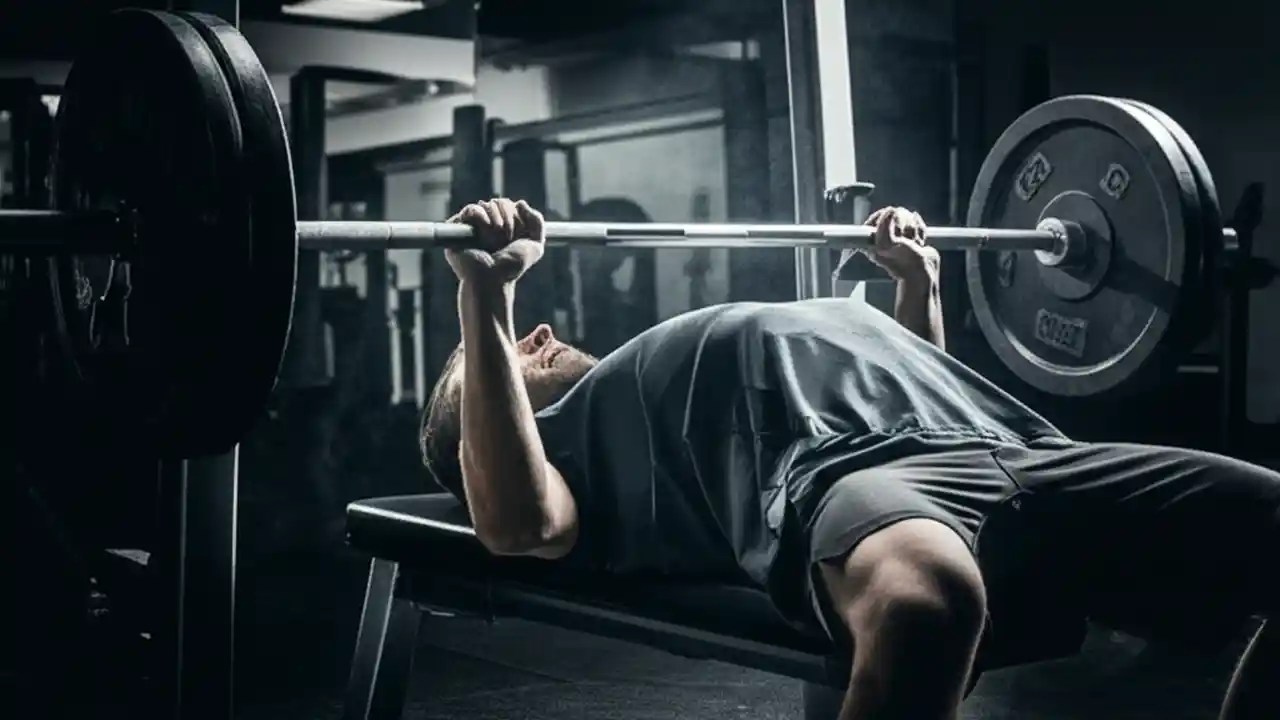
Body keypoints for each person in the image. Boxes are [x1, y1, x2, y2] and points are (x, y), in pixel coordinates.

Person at [419, 198, 1278, 720]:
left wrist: (917, 285)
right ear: (485, 422)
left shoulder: (649, 370)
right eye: (504, 359)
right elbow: (518, 522)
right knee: (923, 605)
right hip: (856, 481)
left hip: (1008, 444)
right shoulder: (579, 437)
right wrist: (484, 298)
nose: (537, 337)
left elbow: (910, 381)